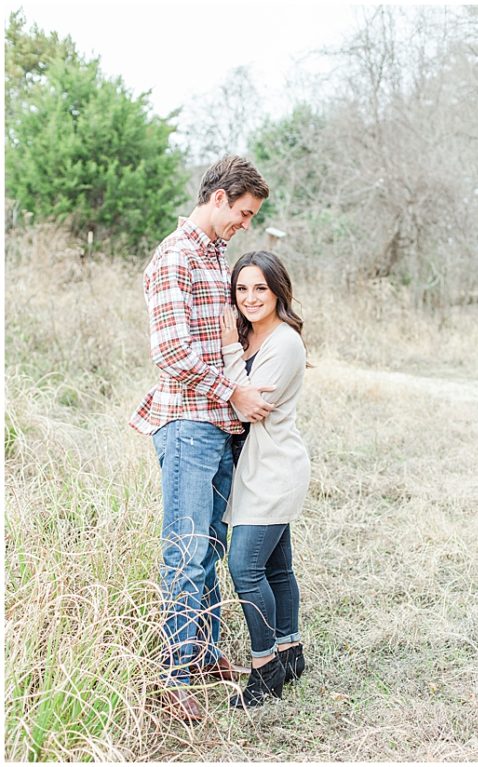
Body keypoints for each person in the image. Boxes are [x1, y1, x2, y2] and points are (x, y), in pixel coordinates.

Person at [130, 155, 272, 722]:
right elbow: (170, 352)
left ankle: (208, 652)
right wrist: (233, 393)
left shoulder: (214, 256)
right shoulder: (176, 256)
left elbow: (217, 341)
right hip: (188, 424)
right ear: (218, 198)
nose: (245, 224)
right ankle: (173, 675)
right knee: (186, 553)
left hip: (216, 425)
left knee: (210, 545)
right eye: (242, 213)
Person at [218, 251, 311, 709]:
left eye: (260, 288)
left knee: (244, 568)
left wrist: (229, 352)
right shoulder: (247, 334)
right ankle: (291, 652)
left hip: (273, 470)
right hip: (254, 469)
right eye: (242, 289)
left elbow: (248, 407)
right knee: (276, 568)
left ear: (277, 290)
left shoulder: (283, 343)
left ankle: (265, 668)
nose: (251, 298)